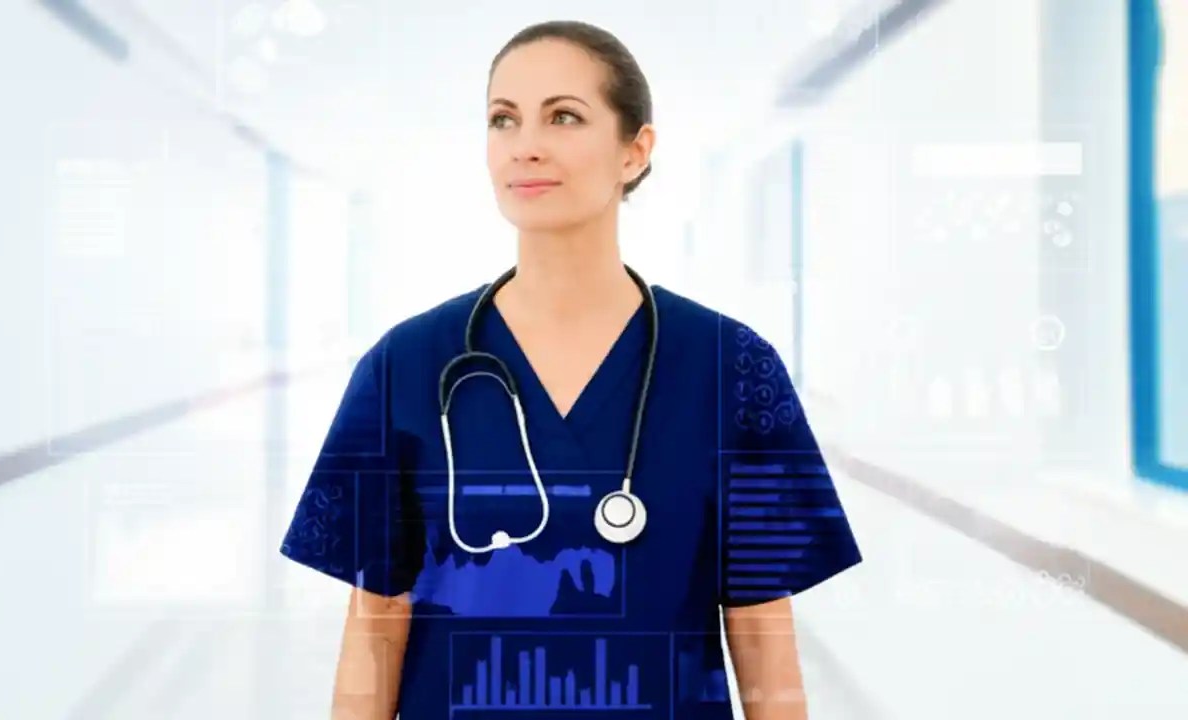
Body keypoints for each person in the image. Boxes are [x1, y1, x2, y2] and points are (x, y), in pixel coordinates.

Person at [280, 19, 862, 720]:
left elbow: (765, 641)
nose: (525, 146)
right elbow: (374, 626)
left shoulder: (731, 368)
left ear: (634, 151)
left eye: (563, 116)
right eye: (503, 120)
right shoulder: (407, 365)